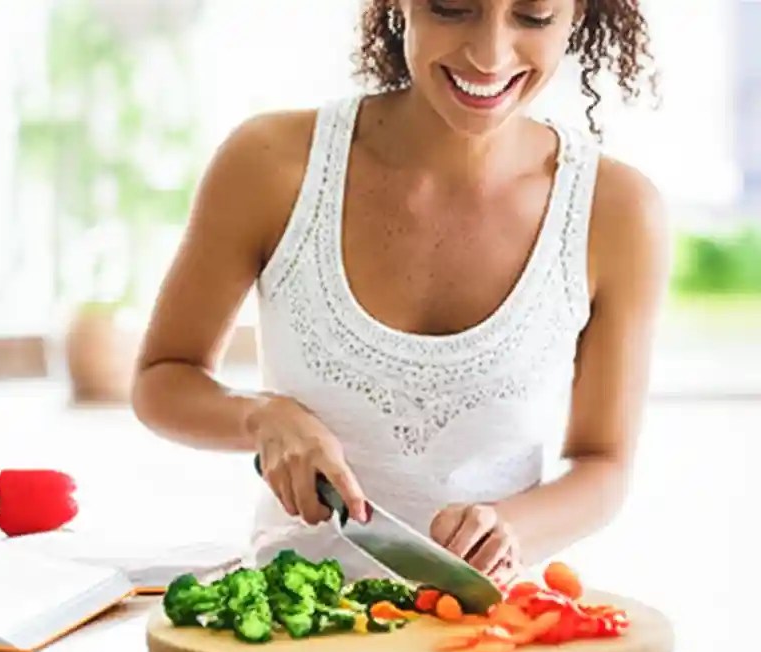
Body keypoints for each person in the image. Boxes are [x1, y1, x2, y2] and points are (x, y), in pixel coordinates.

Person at [131, 0, 667, 585]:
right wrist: (259, 416)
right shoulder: (271, 164)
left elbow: (604, 464)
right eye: (452, 8)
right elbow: (163, 376)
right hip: (294, 627)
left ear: (578, 15)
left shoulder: (617, 211)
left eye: (533, 18)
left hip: (485, 641)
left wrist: (512, 527)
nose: (489, 55)